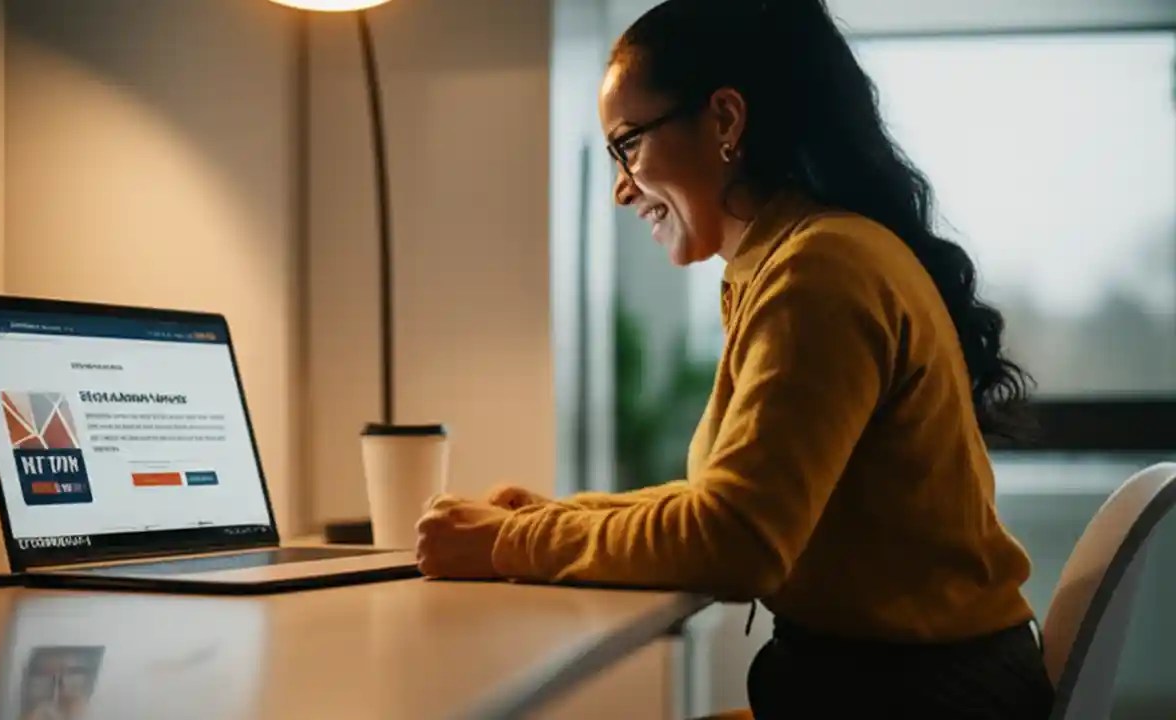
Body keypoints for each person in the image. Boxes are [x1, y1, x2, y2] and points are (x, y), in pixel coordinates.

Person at [415, 0, 1054, 716]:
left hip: (917, 699)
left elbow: (736, 541)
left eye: (627, 143)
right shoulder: (804, 258)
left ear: (725, 120)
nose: (623, 186)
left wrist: (513, 541)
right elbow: (730, 505)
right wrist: (552, 516)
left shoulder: (820, 270)